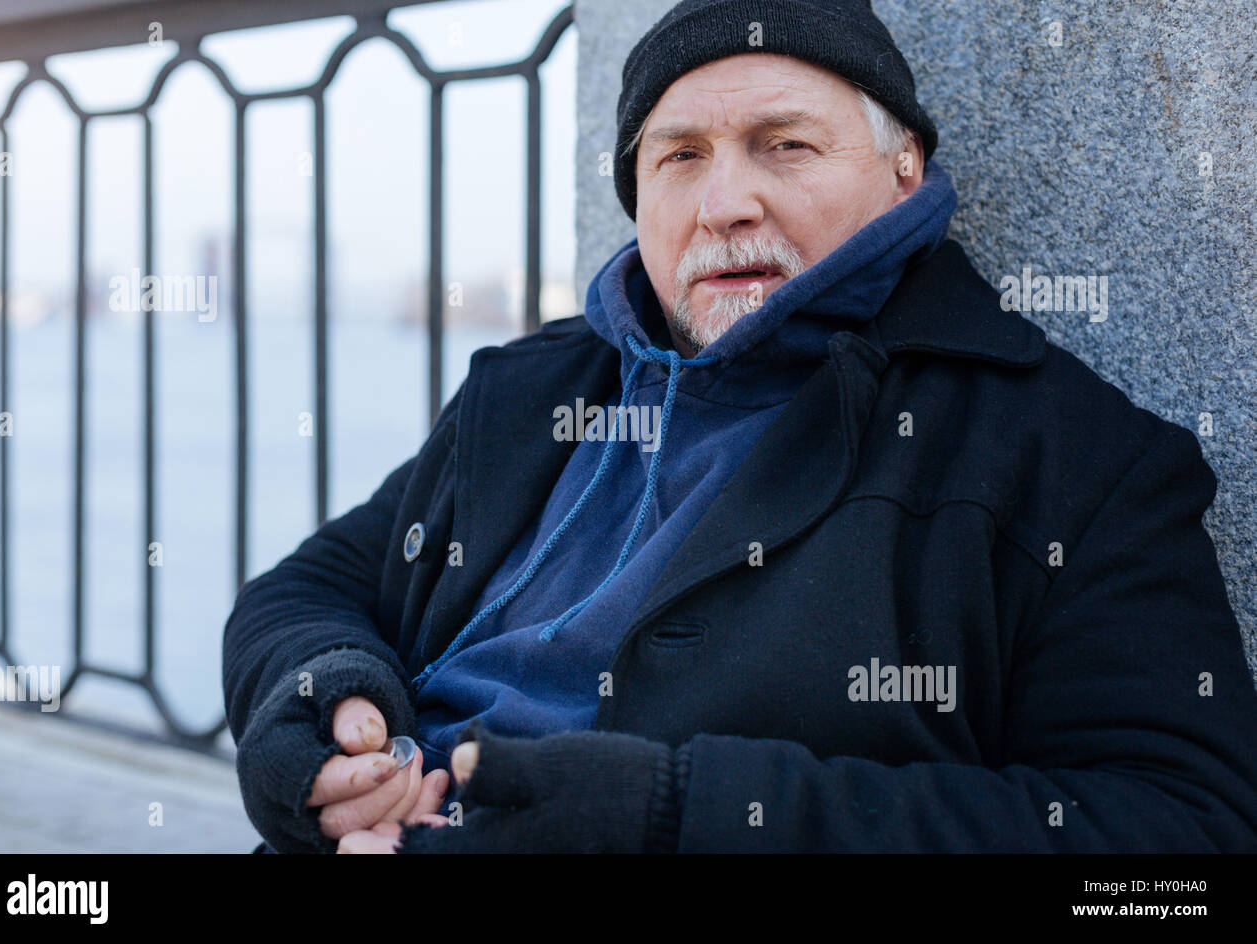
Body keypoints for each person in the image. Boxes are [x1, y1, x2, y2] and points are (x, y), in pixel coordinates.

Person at [222, 0, 1257, 853]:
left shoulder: (1068, 455)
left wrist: (678, 817)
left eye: (786, 145)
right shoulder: (528, 386)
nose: (724, 204)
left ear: (904, 166)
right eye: (679, 156)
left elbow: (1184, 833)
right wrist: (323, 706)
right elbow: (310, 588)